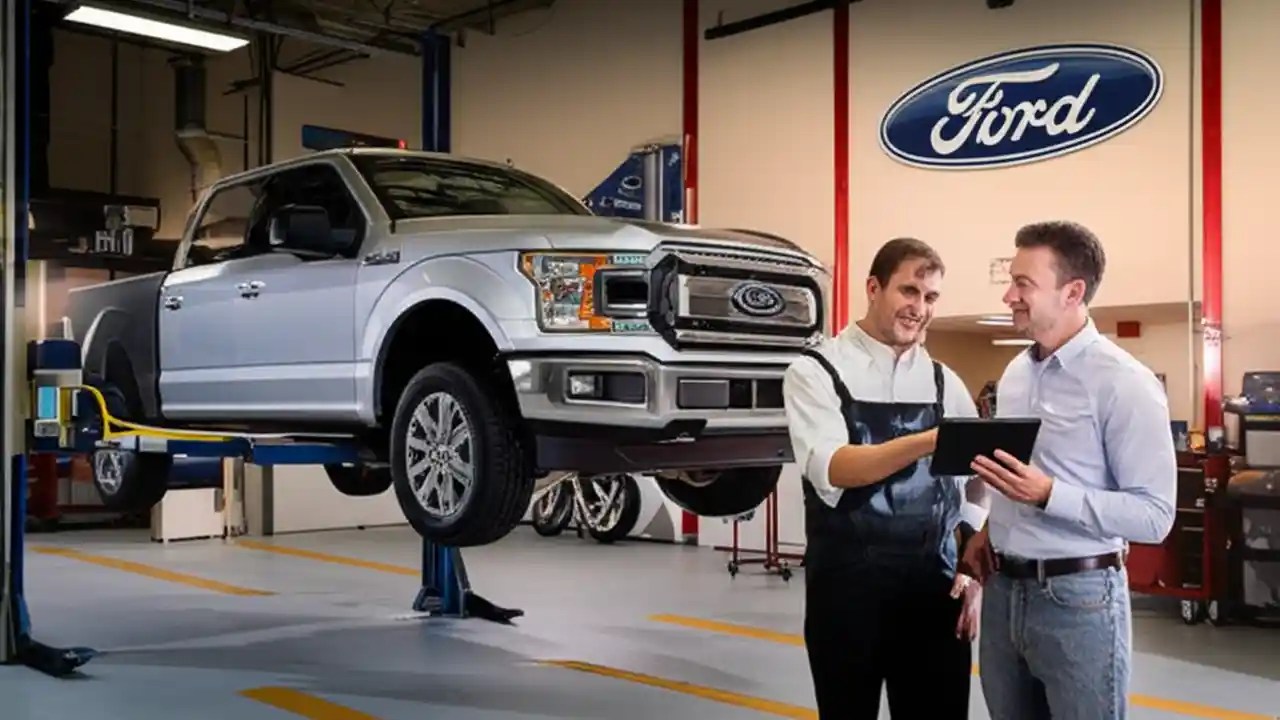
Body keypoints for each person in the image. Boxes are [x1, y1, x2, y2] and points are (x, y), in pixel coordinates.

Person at [963, 221, 1177, 720]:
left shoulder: (1125, 383)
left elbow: (1155, 516)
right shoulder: (1016, 374)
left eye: (1023, 284)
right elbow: (1021, 474)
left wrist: (1049, 494)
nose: (1008, 295)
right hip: (1003, 591)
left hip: (1079, 601)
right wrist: (990, 529)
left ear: (1073, 292)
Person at [782, 237, 989, 719]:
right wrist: (930, 440)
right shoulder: (816, 371)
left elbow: (976, 479)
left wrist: (972, 559)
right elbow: (836, 467)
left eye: (931, 297)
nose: (920, 308)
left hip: (934, 593)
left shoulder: (944, 381)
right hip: (847, 595)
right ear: (873, 288)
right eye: (909, 291)